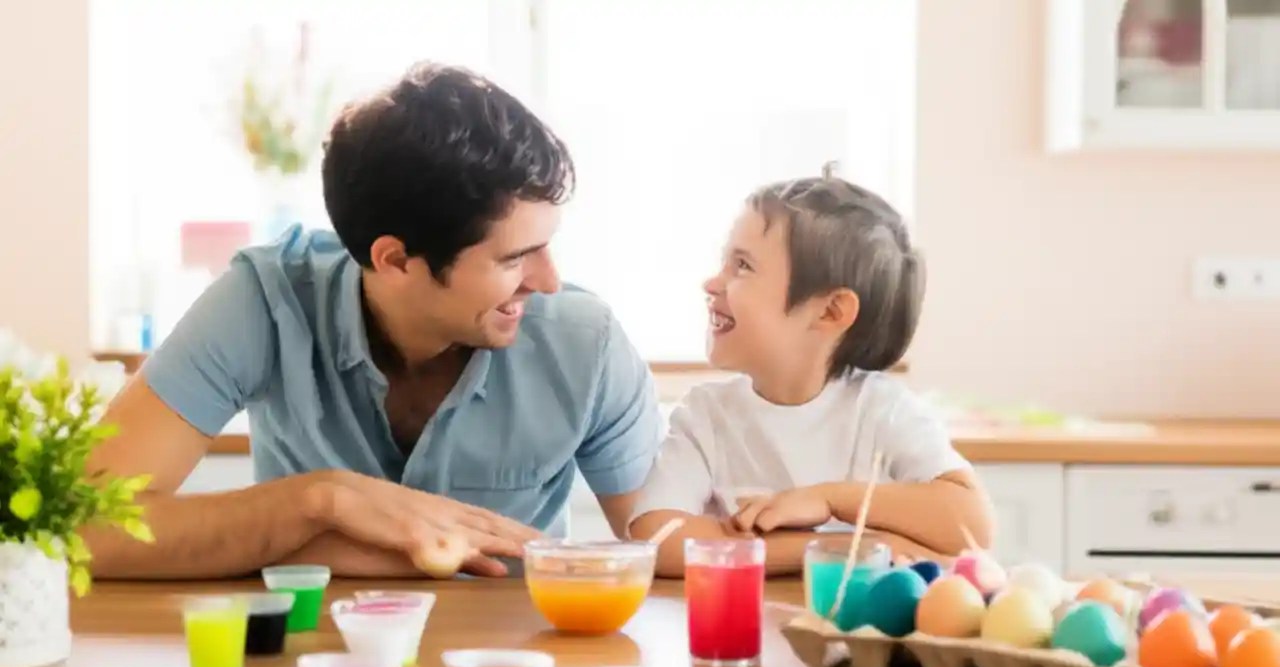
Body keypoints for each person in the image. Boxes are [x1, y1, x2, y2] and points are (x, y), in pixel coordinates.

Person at [84, 62, 662, 580]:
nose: (548, 281)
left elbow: (667, 545)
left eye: (545, 246)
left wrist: (313, 547)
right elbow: (86, 530)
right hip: (315, 666)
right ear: (394, 259)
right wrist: (321, 499)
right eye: (513, 258)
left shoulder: (585, 342)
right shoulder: (262, 302)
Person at [628, 172, 995, 577]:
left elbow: (971, 524)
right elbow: (657, 538)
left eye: (743, 266)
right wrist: (848, 548)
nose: (712, 283)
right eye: (725, 262)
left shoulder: (881, 411)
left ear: (830, 312)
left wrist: (830, 500)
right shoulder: (706, 414)